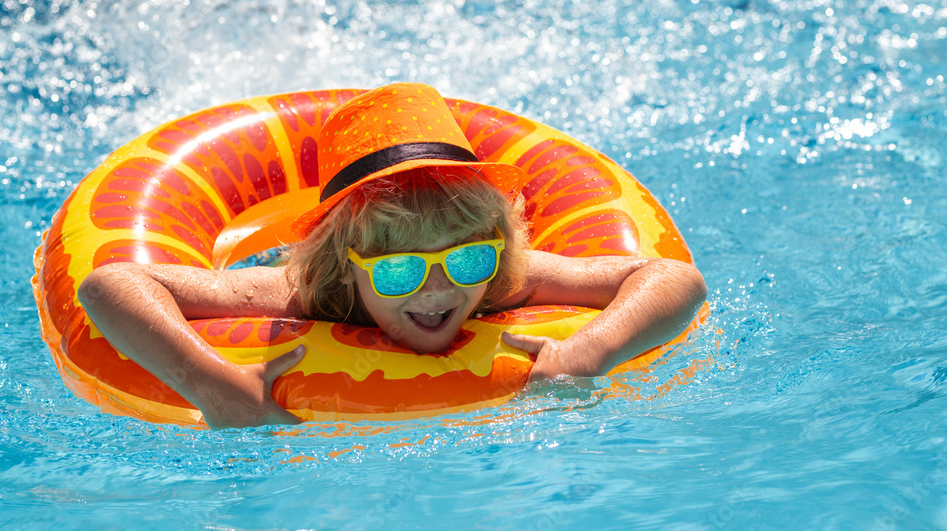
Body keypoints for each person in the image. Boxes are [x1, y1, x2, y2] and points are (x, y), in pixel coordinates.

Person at [78, 83, 707, 429]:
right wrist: (209, 381)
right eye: (400, 269)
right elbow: (111, 285)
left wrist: (589, 350)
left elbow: (671, 277)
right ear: (345, 263)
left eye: (465, 260)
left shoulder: (502, 283)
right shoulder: (311, 295)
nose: (436, 290)